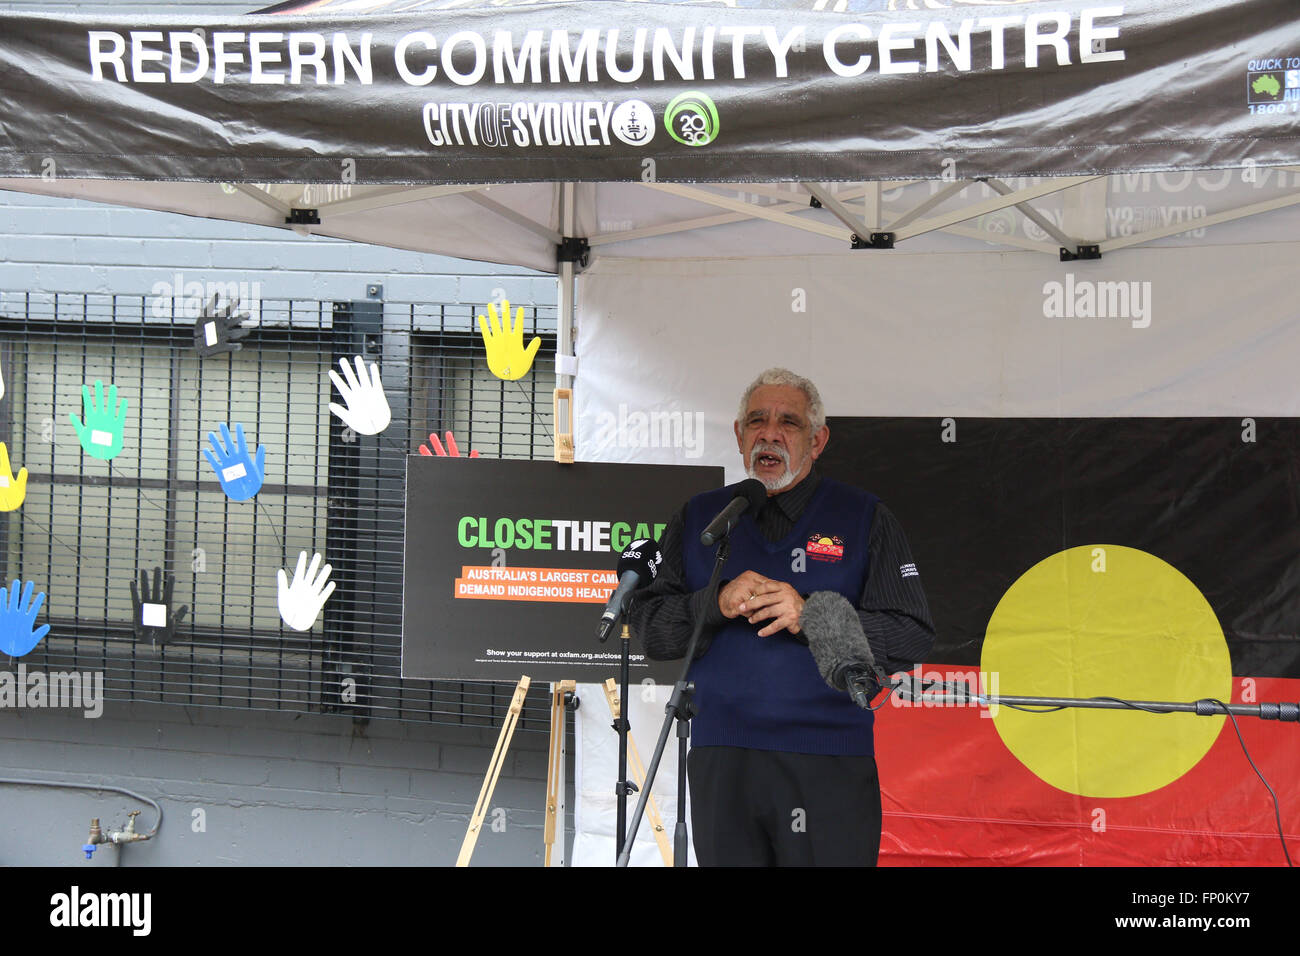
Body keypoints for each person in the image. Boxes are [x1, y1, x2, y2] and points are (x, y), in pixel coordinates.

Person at [628, 367, 935, 866]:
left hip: (829, 764)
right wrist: (714, 603)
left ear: (818, 441)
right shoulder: (701, 518)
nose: (769, 433)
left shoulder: (863, 517)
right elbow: (653, 633)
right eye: (757, 421)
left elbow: (912, 635)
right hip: (722, 759)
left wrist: (810, 615)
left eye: (788, 422)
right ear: (738, 435)